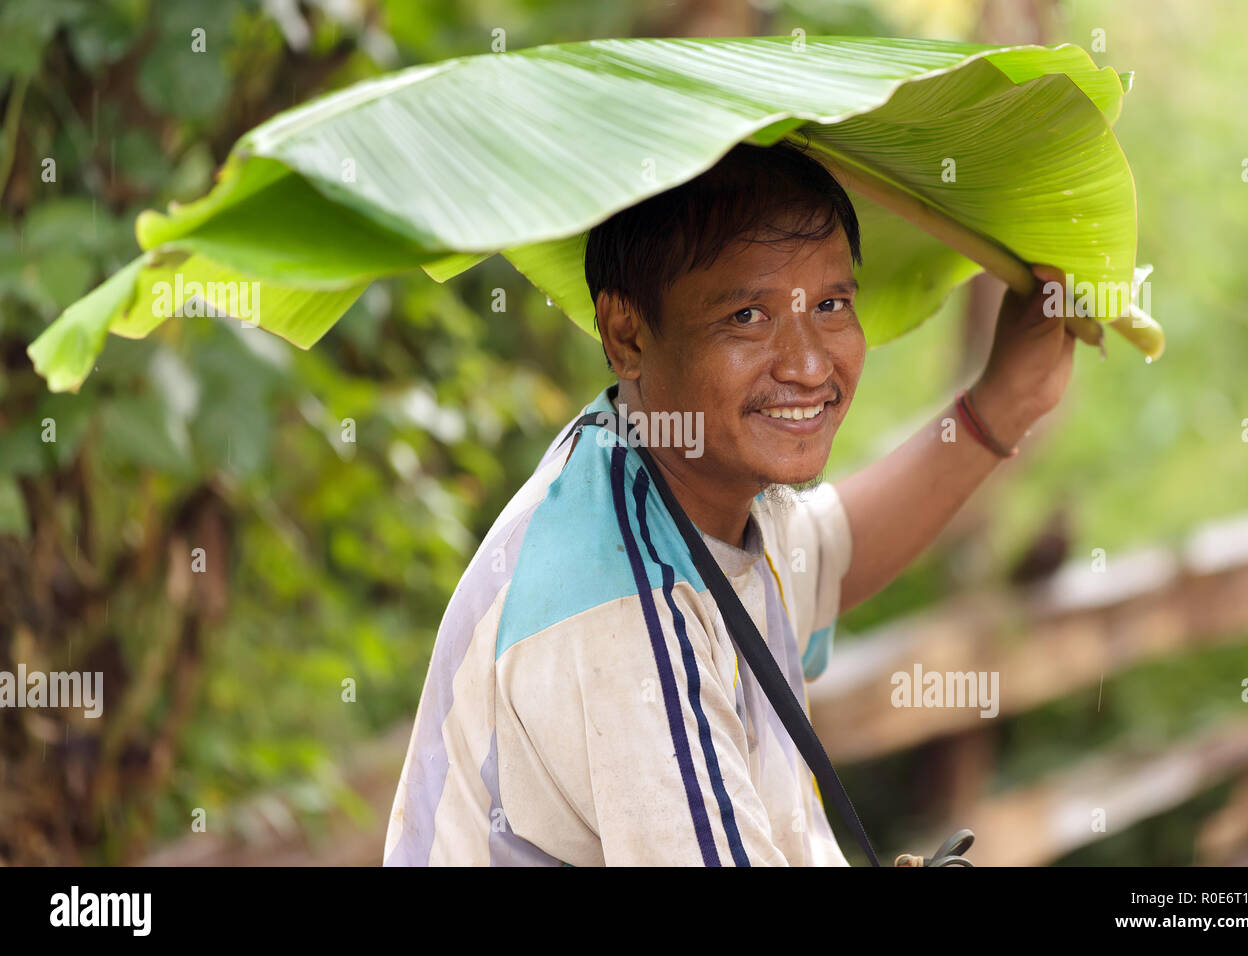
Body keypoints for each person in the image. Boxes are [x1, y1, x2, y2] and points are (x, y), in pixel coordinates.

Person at [383, 141, 1075, 866]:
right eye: (748, 316)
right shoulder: (623, 613)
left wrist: (1001, 403)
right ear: (628, 335)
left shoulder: (675, 474)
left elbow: (829, 558)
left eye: (832, 305)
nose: (808, 365)